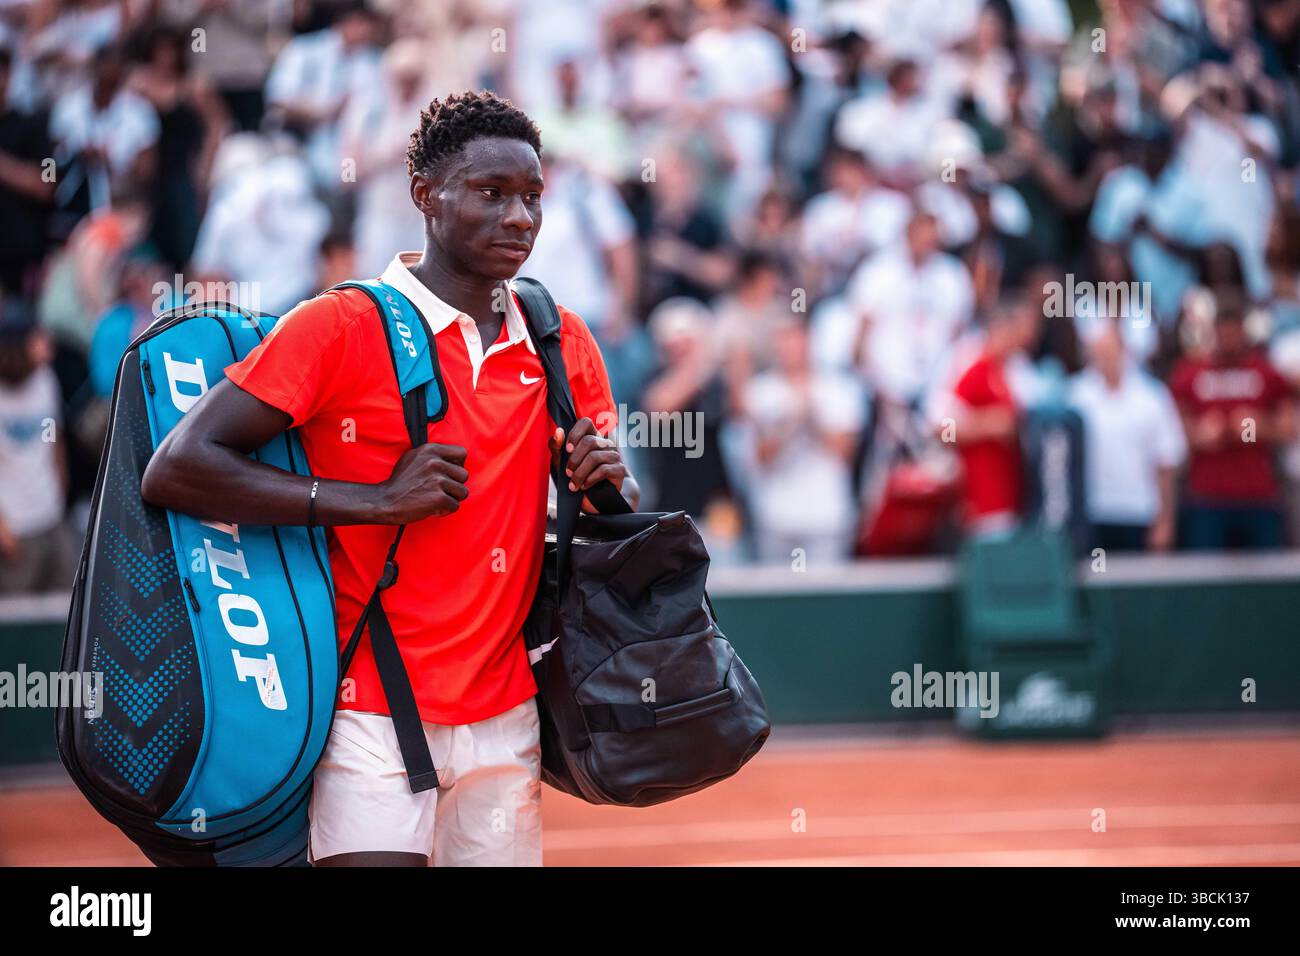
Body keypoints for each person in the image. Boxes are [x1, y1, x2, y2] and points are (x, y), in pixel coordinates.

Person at [141, 90, 638, 867]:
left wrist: (607, 483)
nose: (520, 219)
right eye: (492, 193)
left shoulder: (561, 338)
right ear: (423, 197)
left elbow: (614, 507)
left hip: (508, 714)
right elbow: (177, 467)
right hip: (363, 705)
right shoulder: (340, 324)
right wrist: (372, 502)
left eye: (533, 197)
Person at [1169, 296, 1295, 550]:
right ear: (1213, 332)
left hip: (1258, 495)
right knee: (1206, 581)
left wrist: (1259, 429)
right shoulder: (1190, 374)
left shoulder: (1265, 373)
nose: (1228, 338)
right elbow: (1171, 428)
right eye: (1223, 331)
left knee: (1265, 581)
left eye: (1234, 331)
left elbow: (1289, 427)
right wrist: (1198, 434)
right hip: (1207, 496)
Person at [1069, 320, 1185, 552]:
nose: (1104, 359)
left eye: (1109, 352)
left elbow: (1166, 462)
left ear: (1124, 350)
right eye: (1097, 353)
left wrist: (1165, 520)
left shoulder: (1153, 397)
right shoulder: (1076, 395)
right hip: (1092, 513)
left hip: (1139, 512)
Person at [0, 300, 77, 595]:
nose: (48, 344)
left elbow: (51, 437)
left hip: (52, 517)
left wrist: (59, 485)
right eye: (39, 338)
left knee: (65, 609)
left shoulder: (44, 379)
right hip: (15, 529)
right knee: (18, 624)